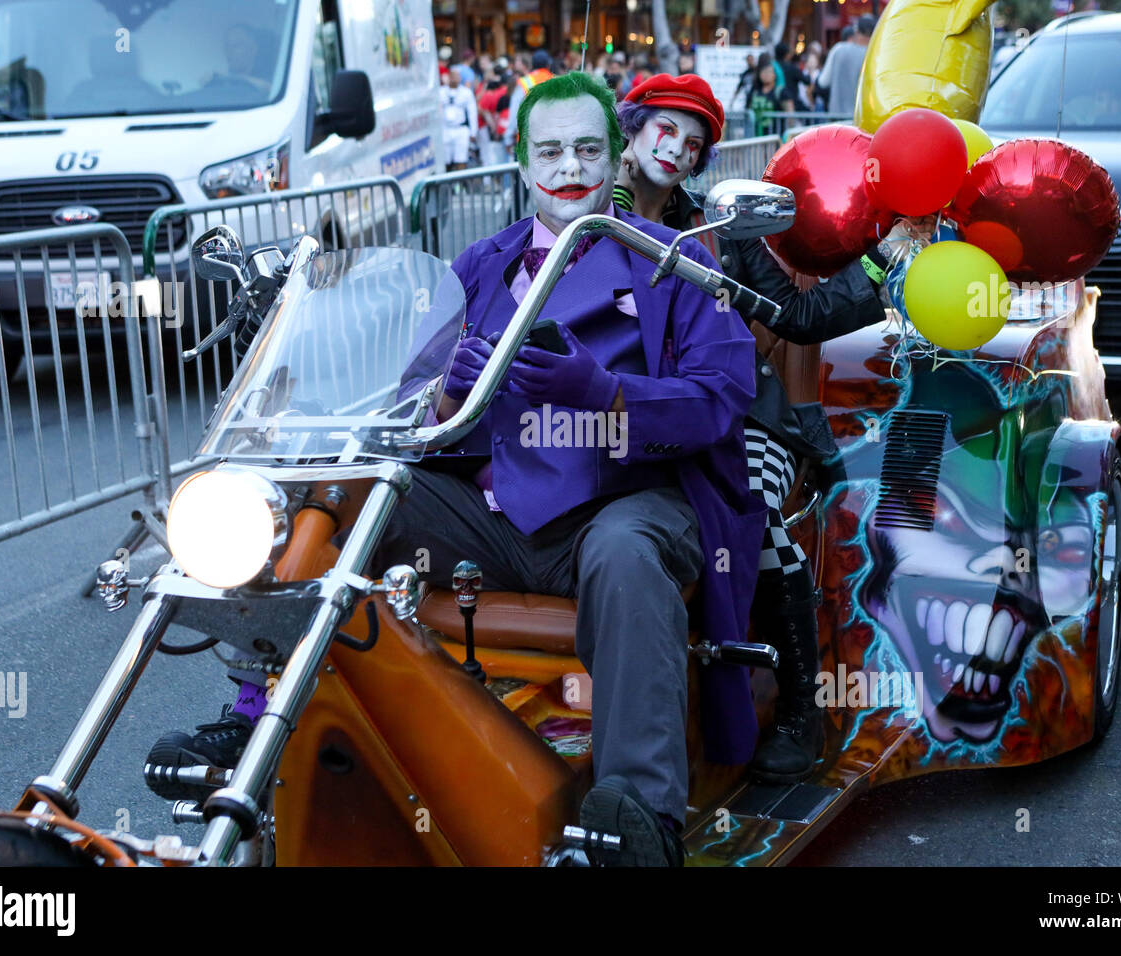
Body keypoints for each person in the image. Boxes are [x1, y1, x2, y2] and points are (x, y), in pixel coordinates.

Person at [147, 70, 764, 869]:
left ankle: (639, 817)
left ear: (616, 160)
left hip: (625, 504)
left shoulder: (675, 263)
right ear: (521, 167)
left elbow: (720, 401)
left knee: (625, 555)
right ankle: (256, 709)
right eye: (549, 151)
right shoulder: (480, 264)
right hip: (494, 508)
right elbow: (413, 401)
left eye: (586, 147)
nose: (569, 165)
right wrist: (442, 399)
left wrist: (606, 394)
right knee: (347, 501)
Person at [613, 72, 929, 784]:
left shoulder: (720, 230)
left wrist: (886, 250)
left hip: (741, 418)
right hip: (620, 422)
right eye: (664, 129)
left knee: (751, 514)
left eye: (694, 142)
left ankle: (799, 709)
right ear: (630, 132)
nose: (677, 148)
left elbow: (800, 316)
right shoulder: (586, 214)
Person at [816, 15, 874, 116]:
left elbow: (823, 82)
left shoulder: (838, 49)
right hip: (862, 119)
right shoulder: (874, 55)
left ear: (856, 31)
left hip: (837, 116)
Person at [502, 50, 554, 150]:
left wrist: (508, 137)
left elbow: (515, 111)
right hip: (553, 138)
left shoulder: (524, 82)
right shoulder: (556, 81)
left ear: (533, 64)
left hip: (528, 140)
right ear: (548, 64)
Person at [439, 68, 478, 171]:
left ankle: (460, 184)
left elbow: (472, 112)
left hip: (460, 129)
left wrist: (473, 132)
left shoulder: (466, 92)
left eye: (458, 76)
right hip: (446, 129)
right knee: (446, 158)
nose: (456, 79)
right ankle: (447, 183)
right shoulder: (441, 92)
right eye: (454, 76)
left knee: (461, 158)